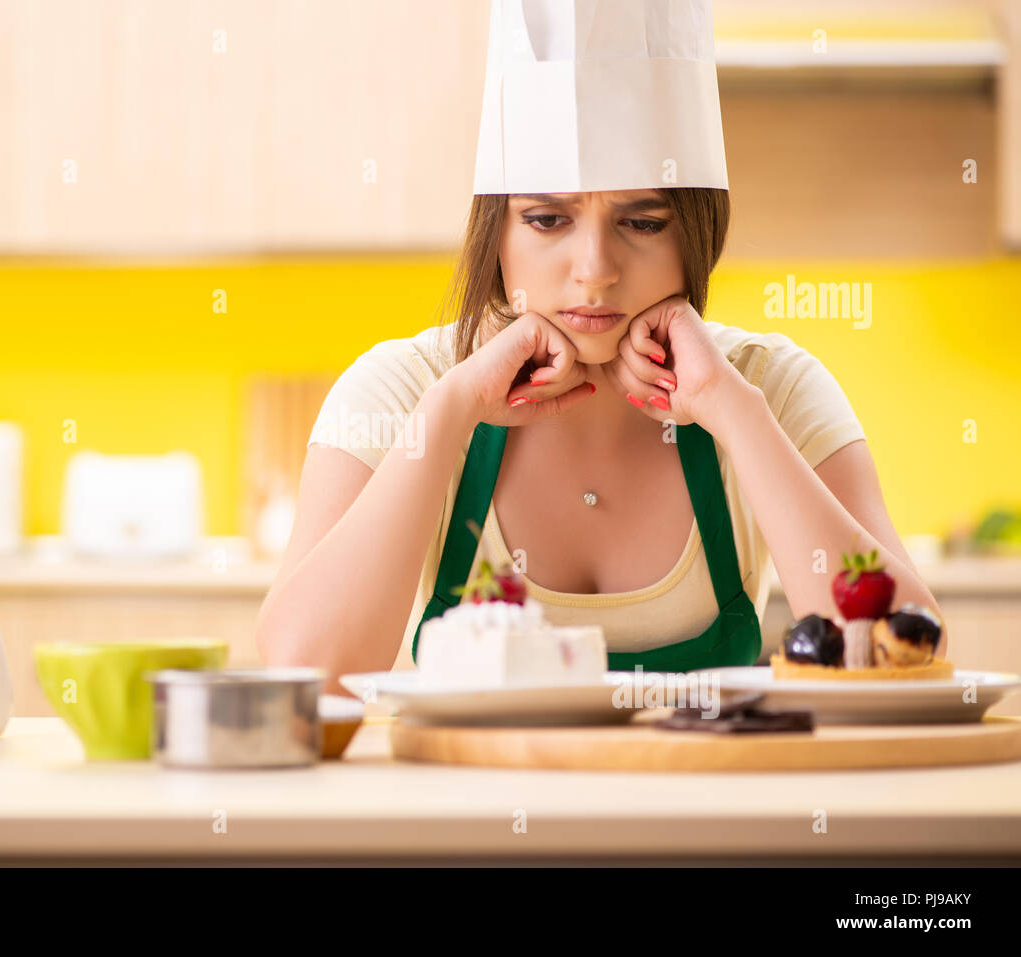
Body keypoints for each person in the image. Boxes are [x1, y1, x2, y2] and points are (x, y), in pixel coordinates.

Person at [256, 0, 946, 694]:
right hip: (472, 805)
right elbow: (305, 677)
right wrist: (450, 412)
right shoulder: (401, 390)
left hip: (703, 802)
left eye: (642, 221)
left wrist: (732, 411)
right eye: (547, 218)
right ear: (495, 232)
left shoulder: (772, 387)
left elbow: (907, 657)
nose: (594, 268)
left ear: (695, 232)